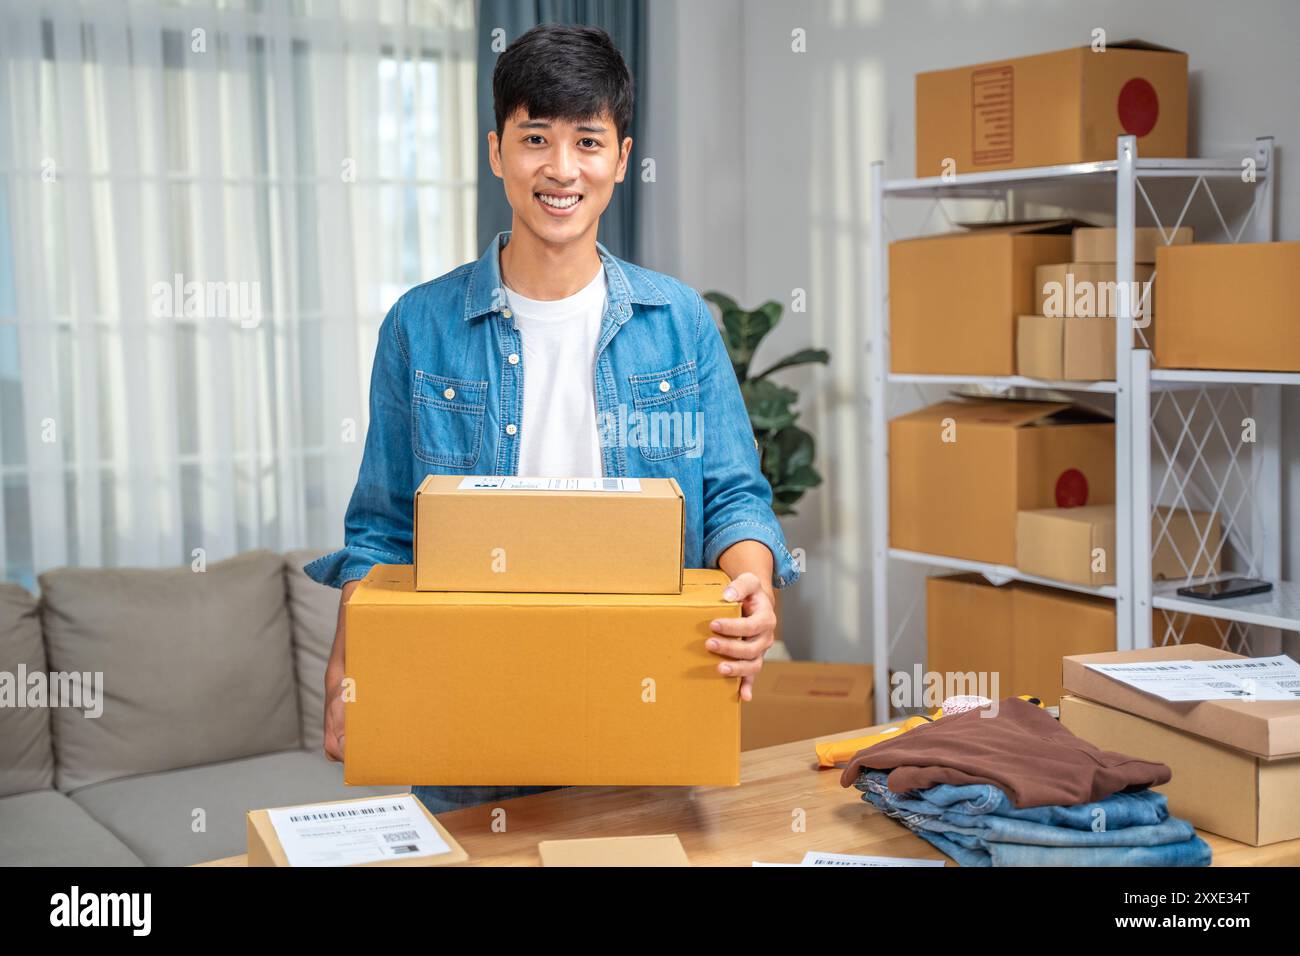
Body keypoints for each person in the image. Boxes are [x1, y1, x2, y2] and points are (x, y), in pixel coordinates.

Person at [306, 23, 801, 815]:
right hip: (467, 715)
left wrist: (754, 583)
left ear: (621, 157)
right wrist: (349, 659)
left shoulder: (679, 321)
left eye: (587, 141)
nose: (561, 169)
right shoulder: (418, 325)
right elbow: (383, 531)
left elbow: (735, 496)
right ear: (496, 151)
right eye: (536, 138)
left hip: (647, 707)